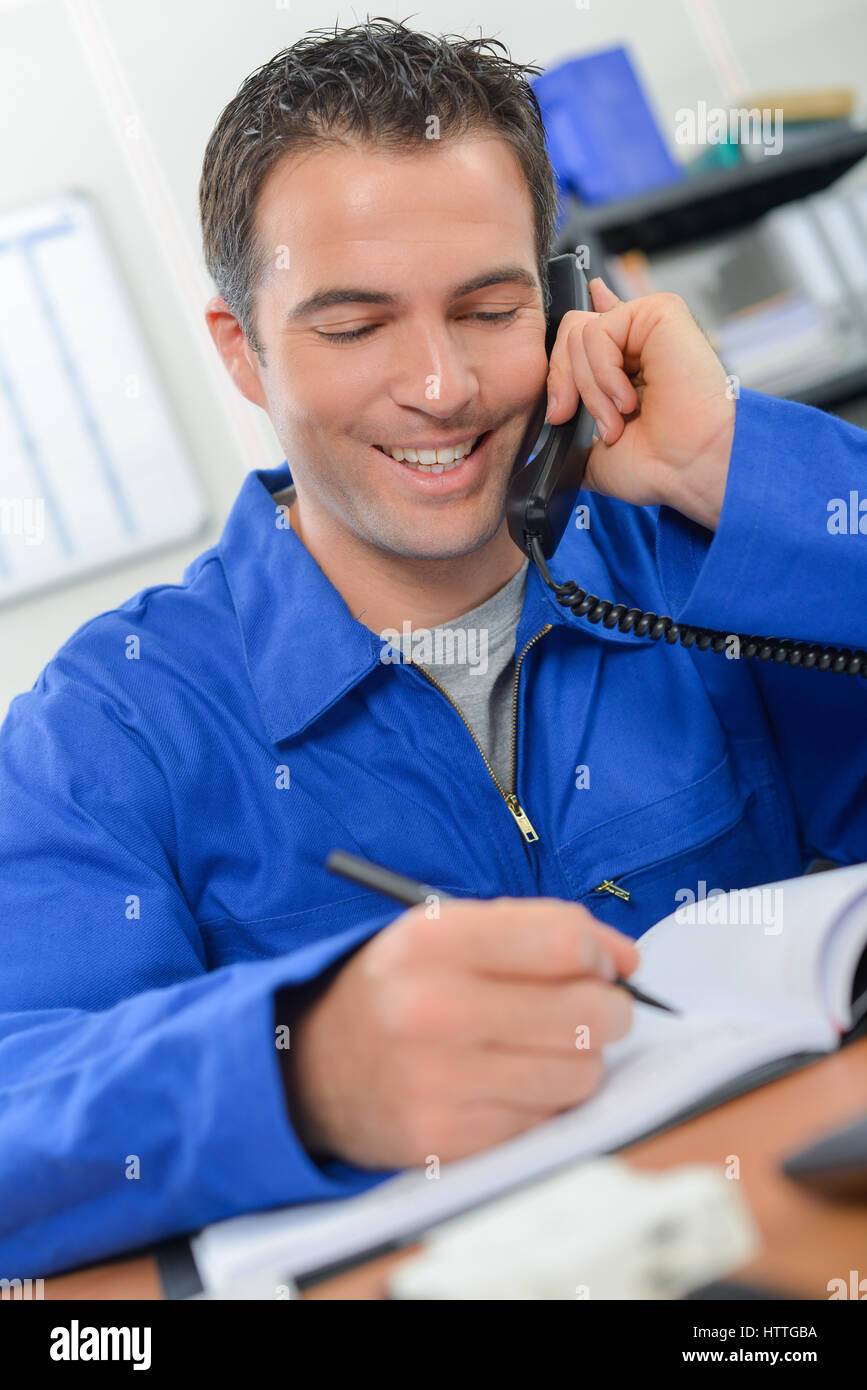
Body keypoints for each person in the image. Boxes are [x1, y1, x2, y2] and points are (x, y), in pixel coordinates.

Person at [1, 19, 865, 1280]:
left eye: (490, 308)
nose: (443, 385)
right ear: (243, 351)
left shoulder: (698, 560)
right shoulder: (107, 722)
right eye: (354, 327)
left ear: (562, 302)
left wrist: (731, 464)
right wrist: (300, 1069)